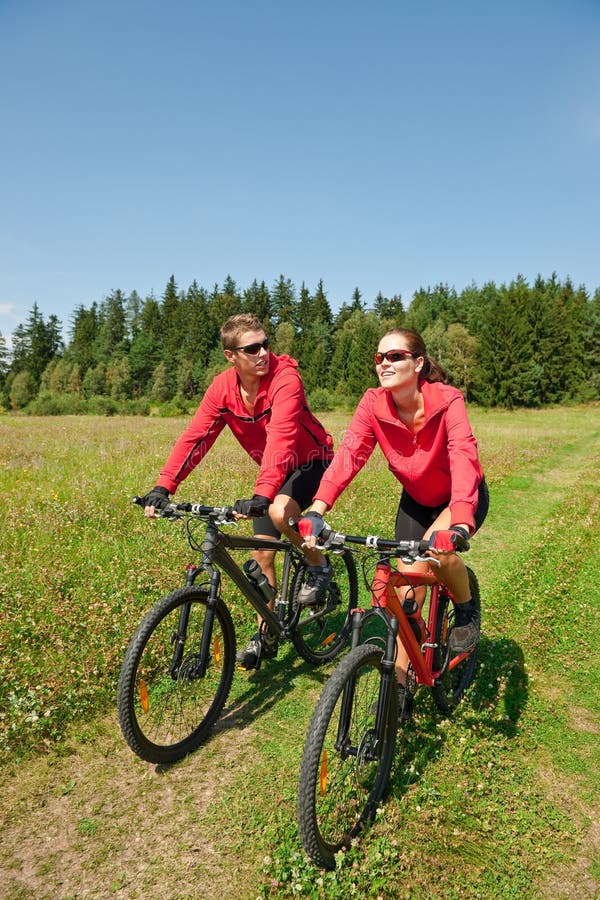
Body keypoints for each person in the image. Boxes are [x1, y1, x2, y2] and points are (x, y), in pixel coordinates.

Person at [299, 327, 489, 720]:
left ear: (418, 363)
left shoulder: (447, 400)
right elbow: (349, 455)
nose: (384, 364)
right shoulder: (373, 404)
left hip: (459, 498)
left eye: (395, 356)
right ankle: (398, 689)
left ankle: (466, 610)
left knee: (435, 555)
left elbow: (463, 456)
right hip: (416, 501)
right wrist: (317, 509)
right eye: (379, 358)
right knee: (404, 597)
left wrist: (461, 523)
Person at [139, 313, 334, 669]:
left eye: (266, 344)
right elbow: (197, 436)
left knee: (277, 512)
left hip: (312, 462)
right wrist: (163, 486)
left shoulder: (285, 378)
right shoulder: (222, 389)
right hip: (275, 472)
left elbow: (283, 435)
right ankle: (267, 632)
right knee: (263, 555)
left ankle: (318, 565)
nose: (263, 353)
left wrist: (263, 493)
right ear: (231, 355)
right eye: (252, 348)